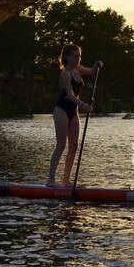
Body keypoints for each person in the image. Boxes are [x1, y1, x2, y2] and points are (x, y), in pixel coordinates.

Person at [47, 45, 102, 186]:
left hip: (74, 112)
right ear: (67, 57)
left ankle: (66, 180)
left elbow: (92, 71)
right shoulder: (65, 73)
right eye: (75, 56)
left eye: (79, 56)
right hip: (61, 110)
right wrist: (84, 105)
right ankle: (51, 180)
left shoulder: (78, 69)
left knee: (74, 146)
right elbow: (70, 95)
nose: (78, 59)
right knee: (61, 145)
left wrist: (97, 65)